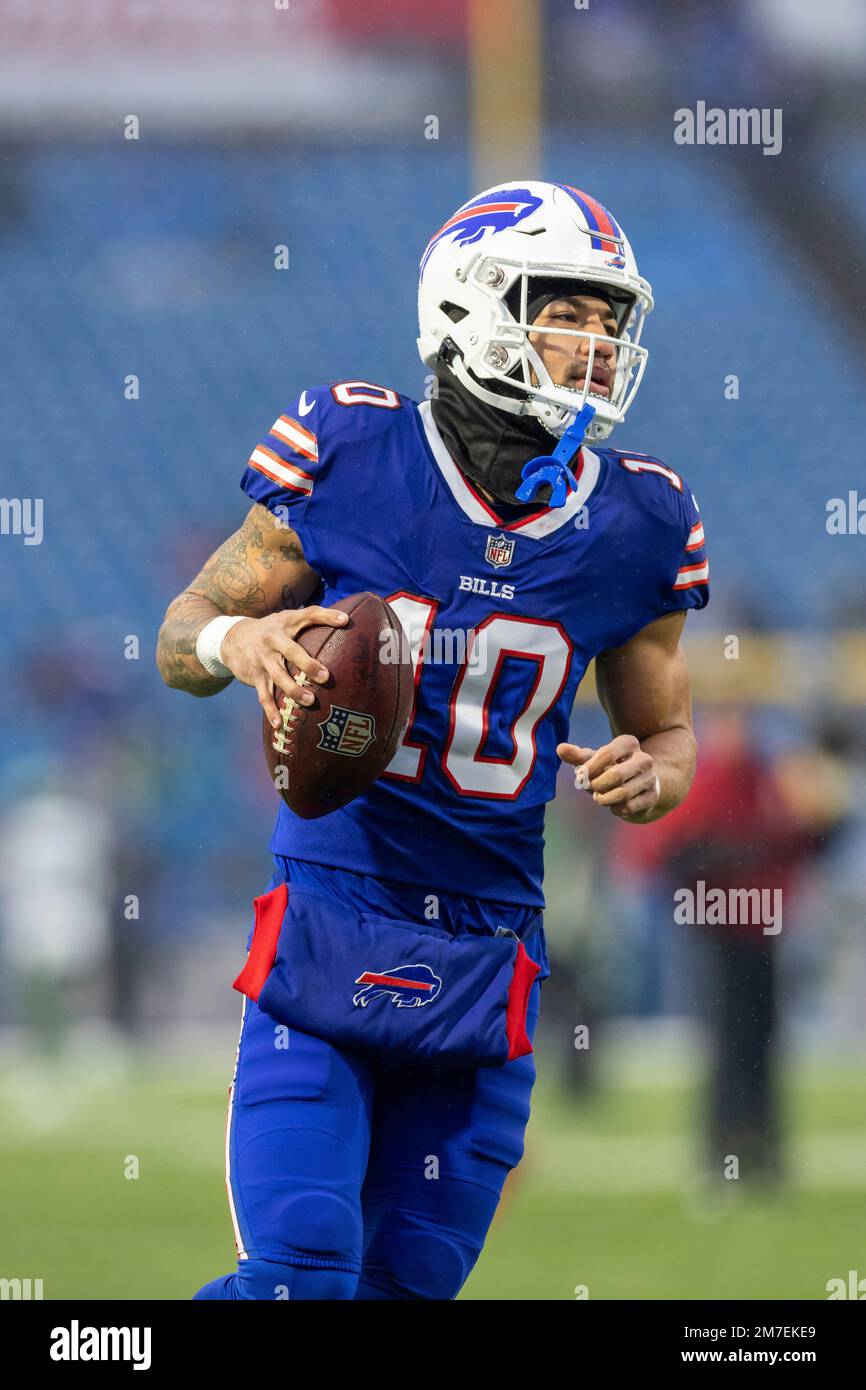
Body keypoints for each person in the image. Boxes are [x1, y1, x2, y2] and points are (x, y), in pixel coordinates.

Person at [156, 180, 710, 1300]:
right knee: (299, 1276)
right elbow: (176, 638)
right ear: (471, 305)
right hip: (330, 917)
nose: (595, 346)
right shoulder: (349, 451)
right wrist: (238, 637)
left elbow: (667, 732)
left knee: (404, 1288)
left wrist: (652, 774)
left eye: (608, 324)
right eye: (567, 314)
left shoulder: (639, 524)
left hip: (489, 951)